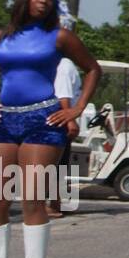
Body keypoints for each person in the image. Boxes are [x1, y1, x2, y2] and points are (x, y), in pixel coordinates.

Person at [0, 0, 99, 258]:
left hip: (43, 120)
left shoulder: (59, 37)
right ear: (23, 1)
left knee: (32, 197)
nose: (43, 0)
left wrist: (77, 108)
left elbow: (92, 69)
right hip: (5, 118)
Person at [46, 55, 82, 218]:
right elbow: (63, 95)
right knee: (56, 164)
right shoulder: (64, 65)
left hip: (60, 118)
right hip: (60, 118)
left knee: (59, 164)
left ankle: (55, 202)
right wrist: (70, 120)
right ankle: (52, 203)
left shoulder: (65, 64)